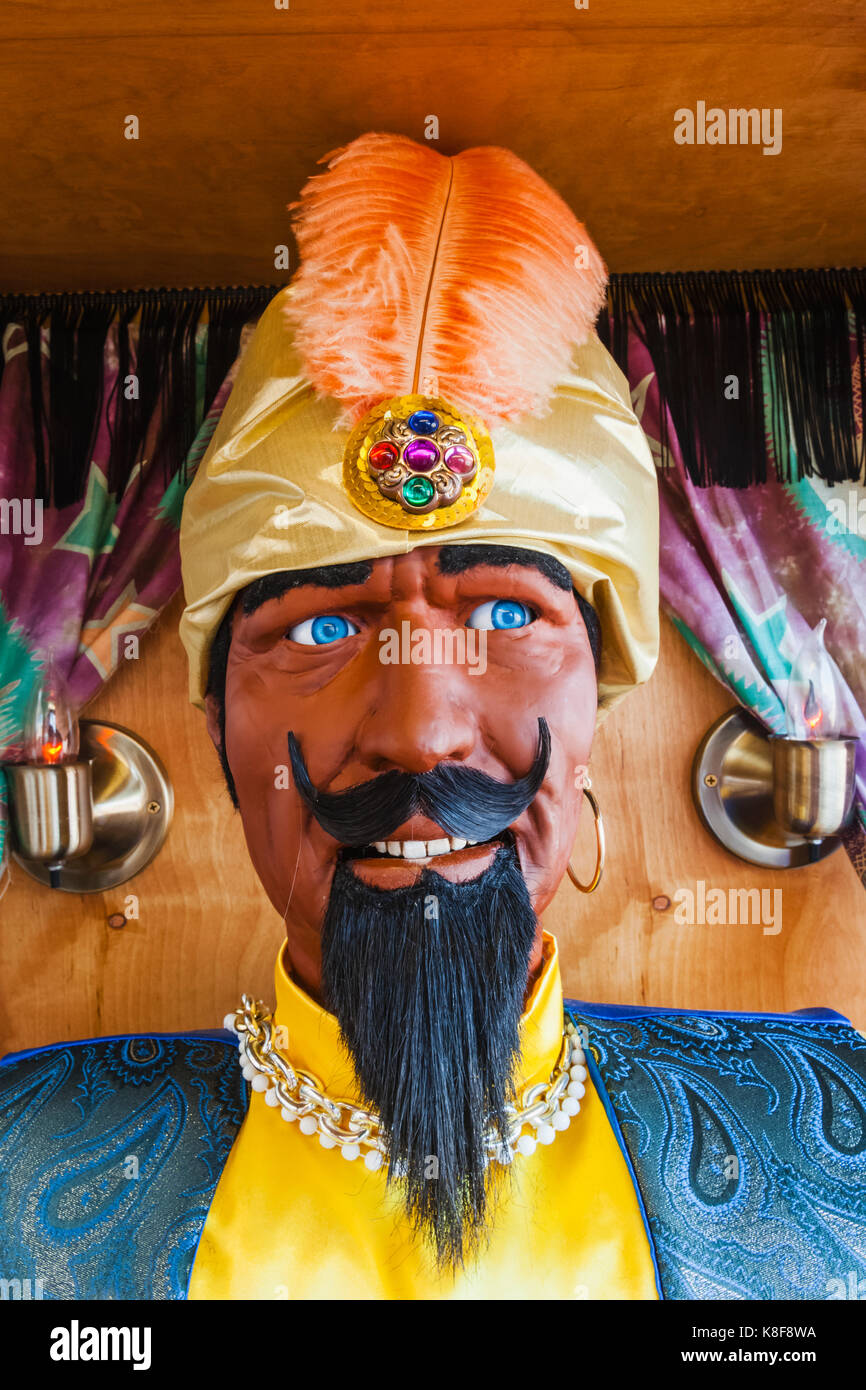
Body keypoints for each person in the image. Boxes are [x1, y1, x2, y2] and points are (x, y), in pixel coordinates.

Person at [1, 132, 864, 1301]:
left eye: (505, 618)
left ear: (597, 702)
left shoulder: (823, 1145)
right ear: (219, 735)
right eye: (319, 630)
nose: (418, 730)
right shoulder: (24, 1182)